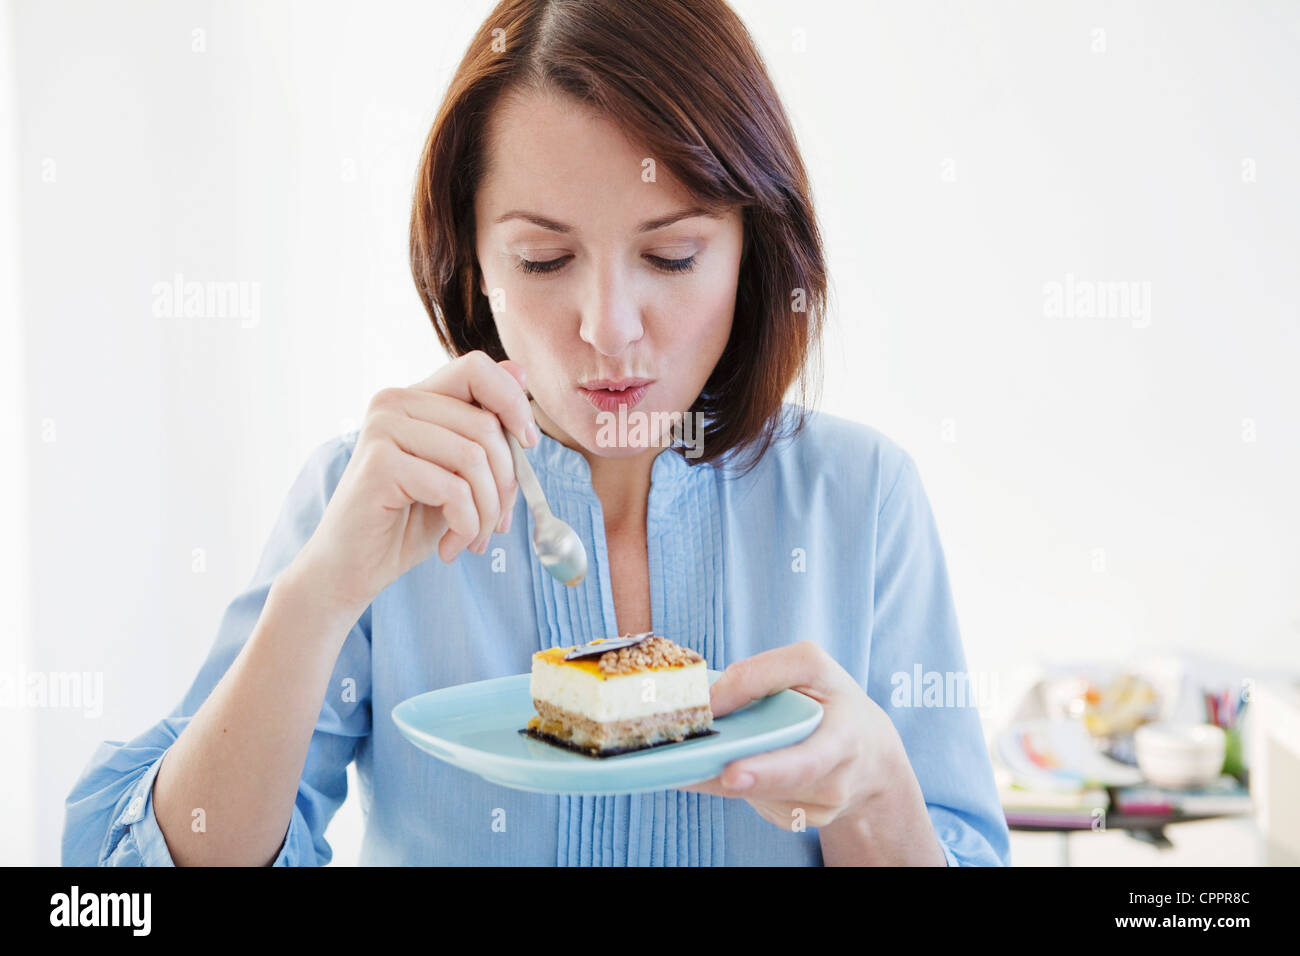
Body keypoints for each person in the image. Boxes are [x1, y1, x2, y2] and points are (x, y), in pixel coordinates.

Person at [63, 0, 1010, 866]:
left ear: (751, 253)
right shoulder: (373, 497)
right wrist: (317, 598)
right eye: (544, 259)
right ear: (472, 262)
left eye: (672, 255)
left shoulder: (861, 500)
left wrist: (874, 793)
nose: (608, 327)